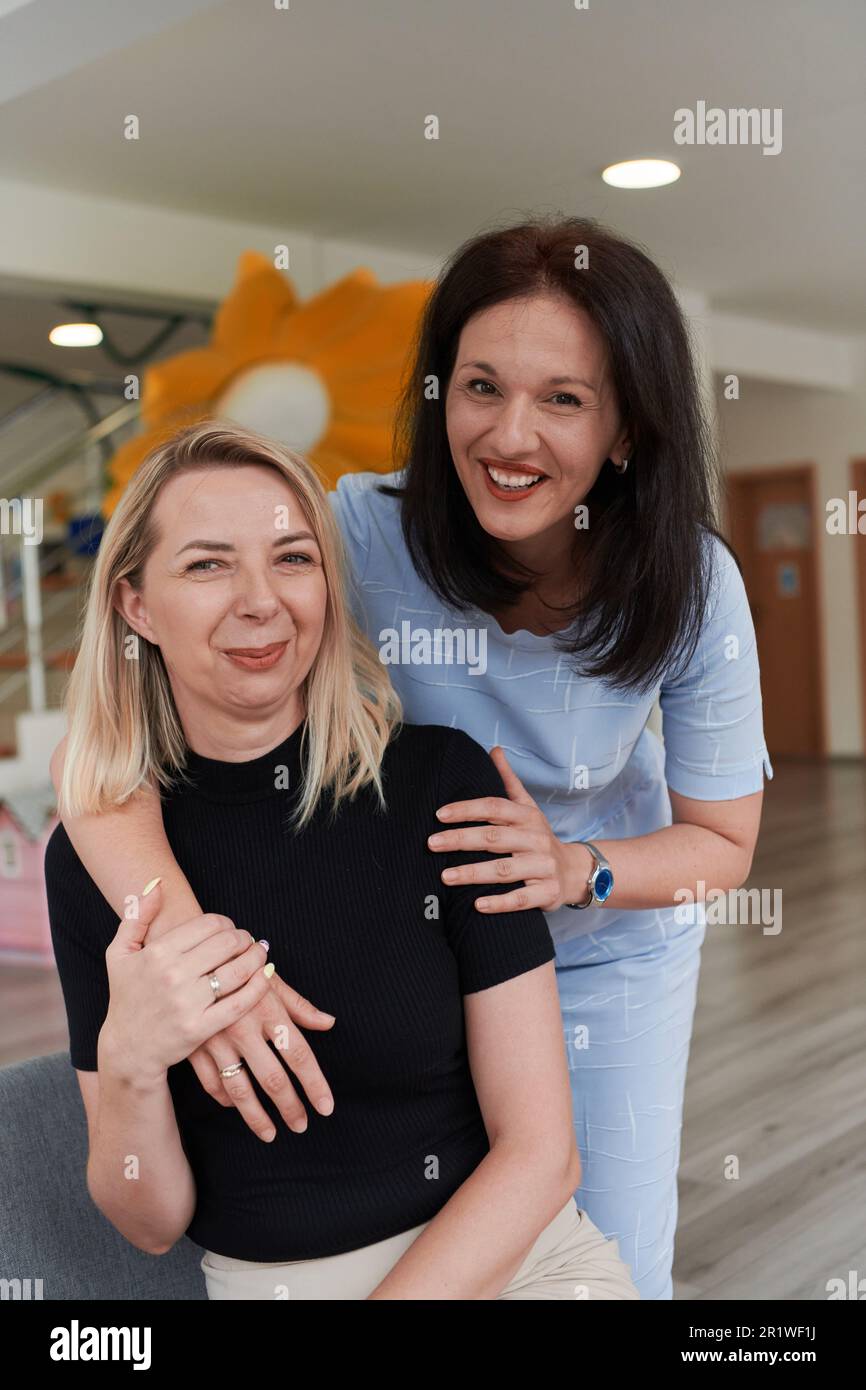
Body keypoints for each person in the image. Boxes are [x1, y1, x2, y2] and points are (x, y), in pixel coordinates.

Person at [50, 215, 772, 1299]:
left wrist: (578, 869)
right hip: (418, 936)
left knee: (609, 1243)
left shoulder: (691, 586)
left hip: (604, 940)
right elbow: (108, 766)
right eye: (479, 387)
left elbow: (723, 843)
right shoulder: (352, 534)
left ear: (625, 430)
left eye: (564, 399)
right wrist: (192, 947)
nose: (509, 435)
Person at [44, 423, 639, 1300]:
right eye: (208, 565)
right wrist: (131, 1059)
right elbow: (149, 1222)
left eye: (292, 558)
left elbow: (542, 1155)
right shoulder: (97, 866)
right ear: (136, 606)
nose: (261, 601)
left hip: (514, 1262)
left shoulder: (441, 784)